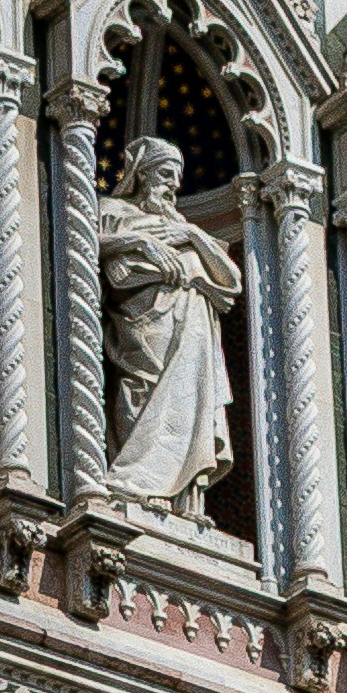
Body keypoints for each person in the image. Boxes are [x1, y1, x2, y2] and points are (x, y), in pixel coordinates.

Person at [95, 134, 241, 516]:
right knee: (139, 394)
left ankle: (181, 500)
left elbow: (232, 282)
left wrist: (192, 234)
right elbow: (88, 243)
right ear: (141, 174)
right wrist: (141, 244)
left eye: (177, 175)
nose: (174, 184)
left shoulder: (182, 227)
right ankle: (135, 482)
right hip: (143, 327)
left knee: (188, 404)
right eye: (164, 173)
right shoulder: (113, 210)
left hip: (192, 331)